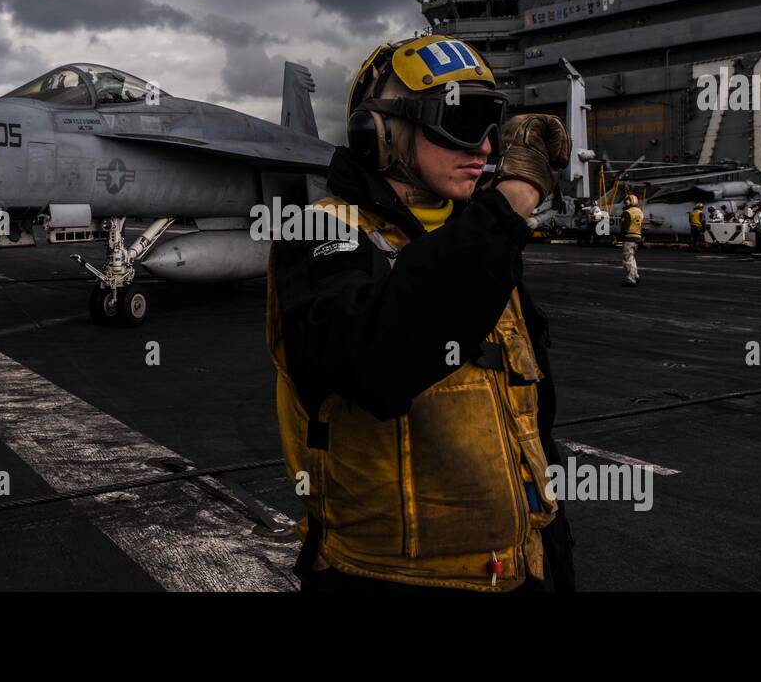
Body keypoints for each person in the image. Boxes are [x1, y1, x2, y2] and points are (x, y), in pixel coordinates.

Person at [267, 34, 575, 593]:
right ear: (381, 131)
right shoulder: (319, 229)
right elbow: (374, 363)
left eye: (492, 125)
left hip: (519, 563)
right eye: (459, 121)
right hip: (383, 575)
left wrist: (553, 549)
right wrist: (506, 206)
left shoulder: (478, 235)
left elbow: (529, 413)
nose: (484, 147)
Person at [620, 193, 643, 285]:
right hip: (637, 237)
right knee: (632, 258)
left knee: (627, 259)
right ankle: (636, 276)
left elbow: (624, 226)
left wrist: (620, 237)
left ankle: (631, 279)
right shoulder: (640, 212)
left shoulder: (627, 212)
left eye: (626, 202)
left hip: (628, 237)